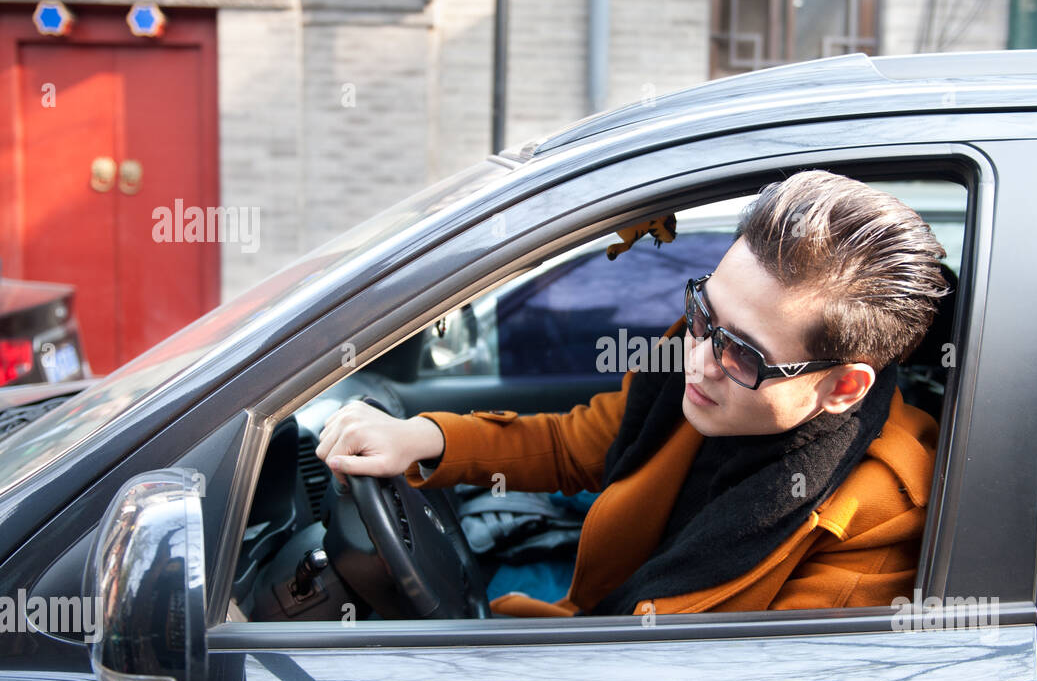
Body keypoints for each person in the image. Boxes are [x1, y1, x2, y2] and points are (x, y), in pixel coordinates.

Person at [316, 169, 952, 618]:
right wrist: (421, 437)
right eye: (702, 311)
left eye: (742, 353)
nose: (696, 360)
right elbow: (577, 444)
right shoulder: (707, 365)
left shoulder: (876, 527)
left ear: (842, 387)